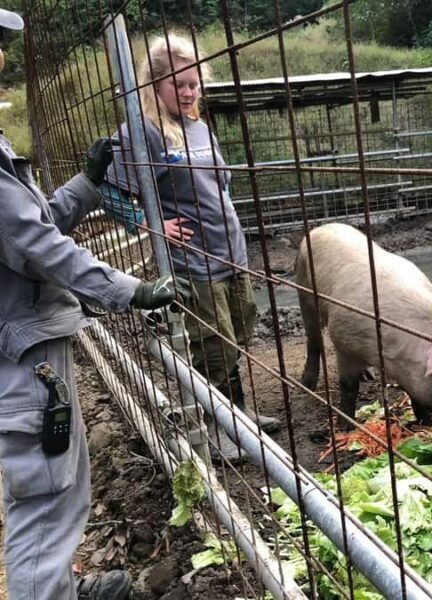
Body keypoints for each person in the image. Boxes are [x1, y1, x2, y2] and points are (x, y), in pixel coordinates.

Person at [0, 9, 193, 599]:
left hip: (26, 336)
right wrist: (127, 289)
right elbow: (36, 247)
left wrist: (85, 183)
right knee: (47, 491)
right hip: (20, 350)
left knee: (53, 483)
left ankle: (53, 586)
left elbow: (28, 228)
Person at [104, 33, 281, 457]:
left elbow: (220, 181)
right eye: (178, 84)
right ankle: (215, 429)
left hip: (229, 249)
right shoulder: (141, 131)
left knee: (238, 328)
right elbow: (108, 191)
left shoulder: (198, 126)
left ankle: (235, 413)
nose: (188, 92)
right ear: (154, 85)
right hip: (192, 259)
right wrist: (149, 222)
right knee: (211, 342)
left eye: (194, 84)